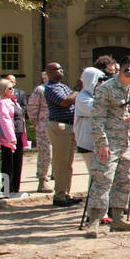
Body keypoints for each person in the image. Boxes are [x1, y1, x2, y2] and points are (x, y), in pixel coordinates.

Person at [84, 56, 130, 238]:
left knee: (124, 180)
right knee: (103, 180)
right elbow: (96, 118)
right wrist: (102, 143)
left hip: (127, 141)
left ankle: (118, 218)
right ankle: (94, 221)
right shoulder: (106, 89)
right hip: (109, 144)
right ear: (126, 71)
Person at [42, 62, 81, 206]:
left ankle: (66, 193)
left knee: (68, 163)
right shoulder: (50, 88)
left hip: (68, 127)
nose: (60, 71)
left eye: (61, 68)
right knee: (61, 163)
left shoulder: (64, 86)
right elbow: (66, 102)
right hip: (59, 127)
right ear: (49, 72)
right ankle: (59, 195)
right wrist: (77, 89)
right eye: (57, 69)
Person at [0, 78, 26, 195]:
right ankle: (6, 190)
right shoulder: (2, 103)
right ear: (3, 90)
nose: (12, 90)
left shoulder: (13, 101)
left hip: (19, 135)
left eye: (13, 88)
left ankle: (15, 189)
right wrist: (11, 138)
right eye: (9, 88)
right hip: (9, 138)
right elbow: (5, 120)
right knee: (8, 164)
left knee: (17, 163)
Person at [26, 72, 53, 193]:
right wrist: (37, 123)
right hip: (44, 127)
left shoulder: (60, 88)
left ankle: (57, 177)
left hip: (58, 126)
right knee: (45, 153)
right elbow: (32, 109)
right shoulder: (40, 90)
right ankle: (43, 180)